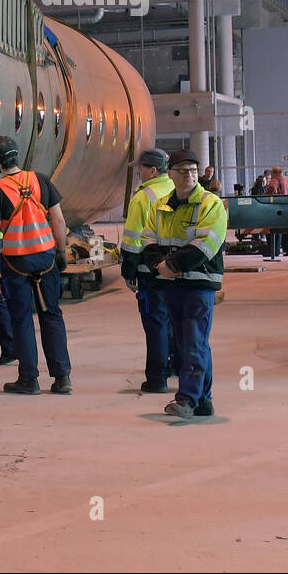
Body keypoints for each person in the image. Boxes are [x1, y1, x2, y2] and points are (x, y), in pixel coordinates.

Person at [0, 136, 72, 395]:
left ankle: (28, 379)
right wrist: (62, 250)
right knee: (51, 315)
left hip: (16, 264)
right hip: (45, 259)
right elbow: (58, 218)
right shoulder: (40, 180)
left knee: (21, 319)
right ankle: (62, 377)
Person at [142, 150, 227, 418]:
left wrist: (172, 266)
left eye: (192, 169)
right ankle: (203, 399)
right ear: (172, 174)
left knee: (193, 341)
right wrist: (162, 266)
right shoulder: (161, 206)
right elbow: (147, 241)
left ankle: (187, 398)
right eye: (183, 170)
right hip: (172, 283)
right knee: (188, 341)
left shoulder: (210, 203)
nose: (189, 174)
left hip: (199, 284)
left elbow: (206, 245)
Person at [119, 148, 177, 393]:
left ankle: (156, 378)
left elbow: (132, 239)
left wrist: (128, 270)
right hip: (177, 267)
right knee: (176, 320)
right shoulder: (177, 191)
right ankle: (176, 365)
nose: (138, 172)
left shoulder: (143, 197)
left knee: (156, 324)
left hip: (149, 270)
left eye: (141, 168)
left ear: (152, 170)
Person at [263, 166, 288, 258]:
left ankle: (275, 250)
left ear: (273, 173)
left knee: (274, 229)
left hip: (278, 210)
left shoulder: (274, 182)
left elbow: (268, 196)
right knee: (287, 229)